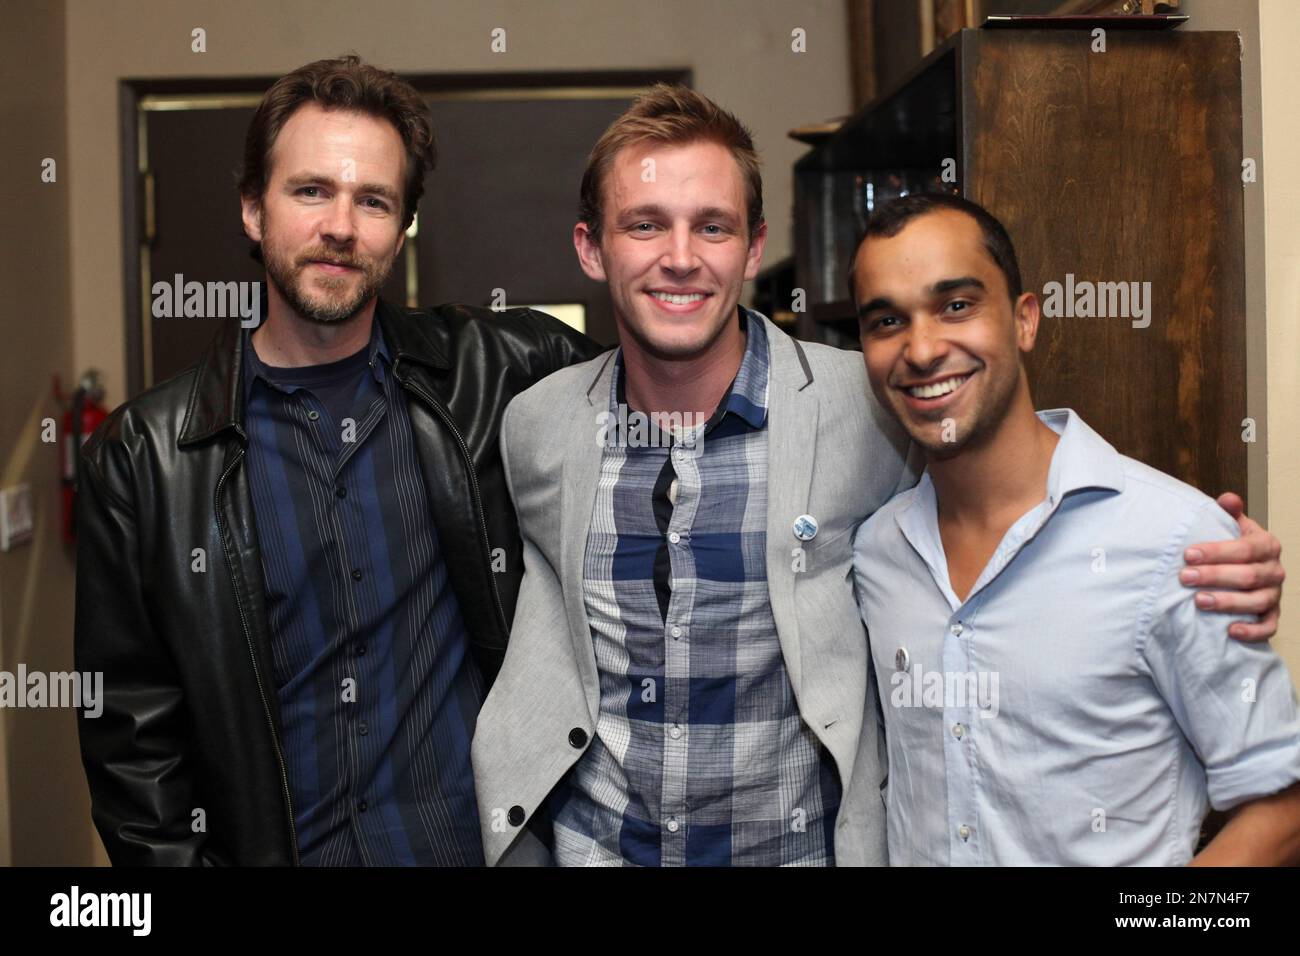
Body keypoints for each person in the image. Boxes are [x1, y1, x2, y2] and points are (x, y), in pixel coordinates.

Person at [470, 85, 1286, 866]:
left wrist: (1188, 551)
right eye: (646, 225)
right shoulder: (538, 429)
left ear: (753, 247)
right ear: (591, 247)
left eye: (713, 227)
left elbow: (998, 449)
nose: (680, 258)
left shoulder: (865, 410)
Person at [74, 55, 601, 866]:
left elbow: (669, 384)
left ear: (404, 225)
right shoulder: (145, 460)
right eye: (311, 191)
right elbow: (133, 750)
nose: (341, 226)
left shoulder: (496, 373)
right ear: (254, 209)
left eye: (374, 200)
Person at [850, 193, 1300, 865]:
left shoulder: (1175, 540)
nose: (921, 349)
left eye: (957, 305)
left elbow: (1282, 803)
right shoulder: (877, 551)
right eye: (888, 320)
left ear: (1024, 320)